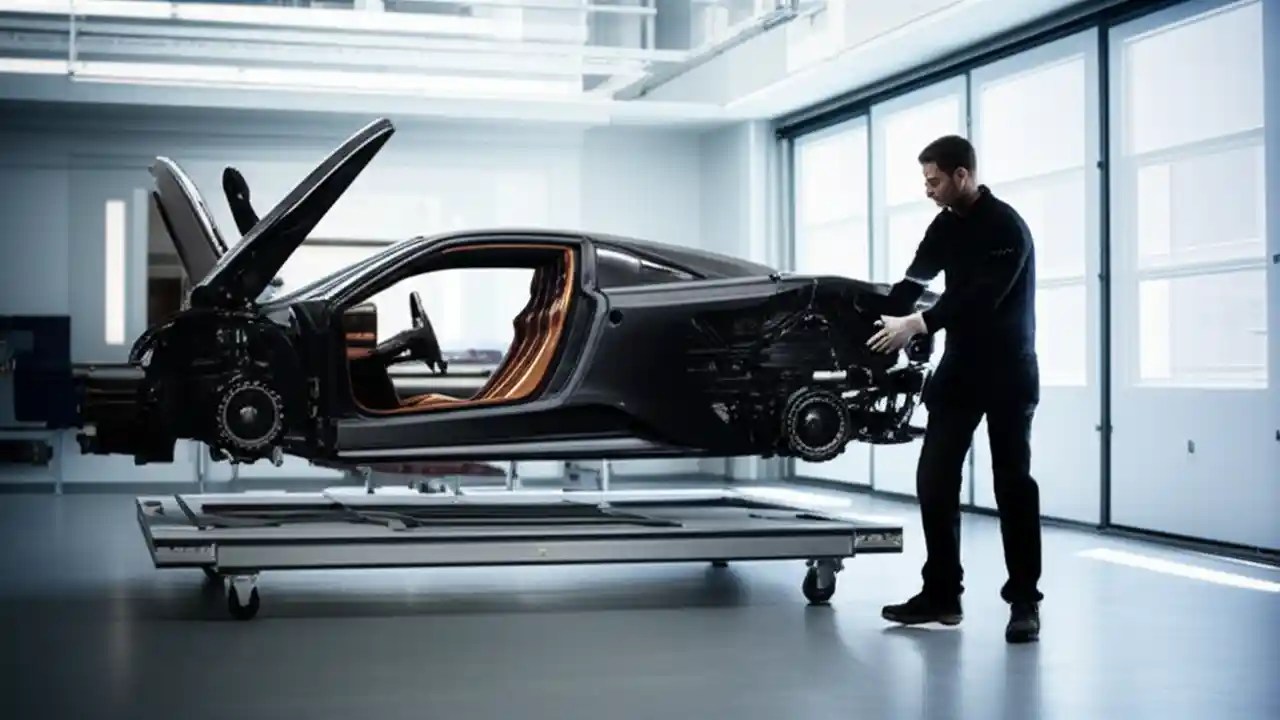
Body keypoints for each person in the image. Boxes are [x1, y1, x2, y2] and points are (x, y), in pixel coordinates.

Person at [865, 134, 1043, 644]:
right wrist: (871, 323)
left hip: (1009, 371)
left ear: (962, 175)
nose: (928, 189)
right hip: (960, 370)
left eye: (934, 180)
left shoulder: (1007, 227)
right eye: (926, 181)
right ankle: (942, 594)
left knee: (1012, 484)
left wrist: (915, 326)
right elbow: (914, 281)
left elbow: (979, 300)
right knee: (935, 478)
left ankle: (1025, 601)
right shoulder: (944, 225)